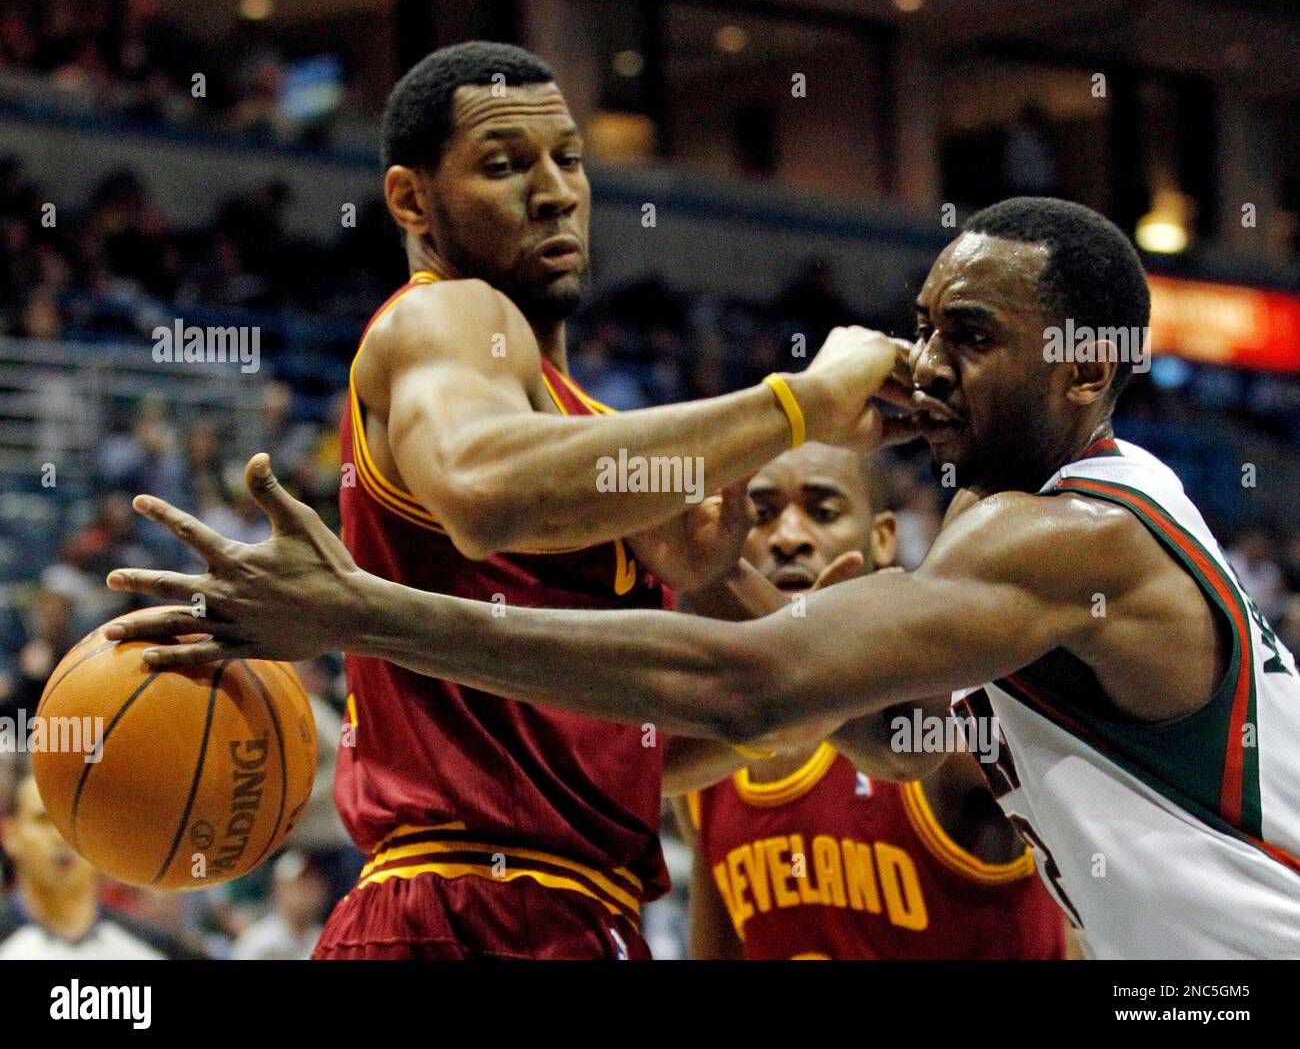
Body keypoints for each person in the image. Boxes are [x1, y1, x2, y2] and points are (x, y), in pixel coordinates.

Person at [109, 197, 1300, 959]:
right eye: (925, 328)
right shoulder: (1029, 538)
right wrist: (715, 568)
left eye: (972, 339)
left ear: (1087, 376)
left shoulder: (1080, 535)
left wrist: (358, 614)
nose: (928, 366)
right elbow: (884, 731)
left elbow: (752, 689)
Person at [110, 40, 905, 961]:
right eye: (503, 165)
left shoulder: (599, 443)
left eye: (568, 158)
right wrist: (795, 403)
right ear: (411, 200)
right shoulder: (448, 316)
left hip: (578, 912)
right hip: (460, 907)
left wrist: (838, 634)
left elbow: (767, 720)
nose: (556, 189)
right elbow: (484, 488)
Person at [674, 441, 1065, 959]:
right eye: (761, 515)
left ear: (882, 539)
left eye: (823, 512)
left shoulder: (950, 711)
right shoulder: (704, 759)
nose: (789, 538)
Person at [0, 772, 195, 960]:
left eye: (75, 821)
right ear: (9, 835)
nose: (61, 837)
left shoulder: (156, 948)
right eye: (44, 820)